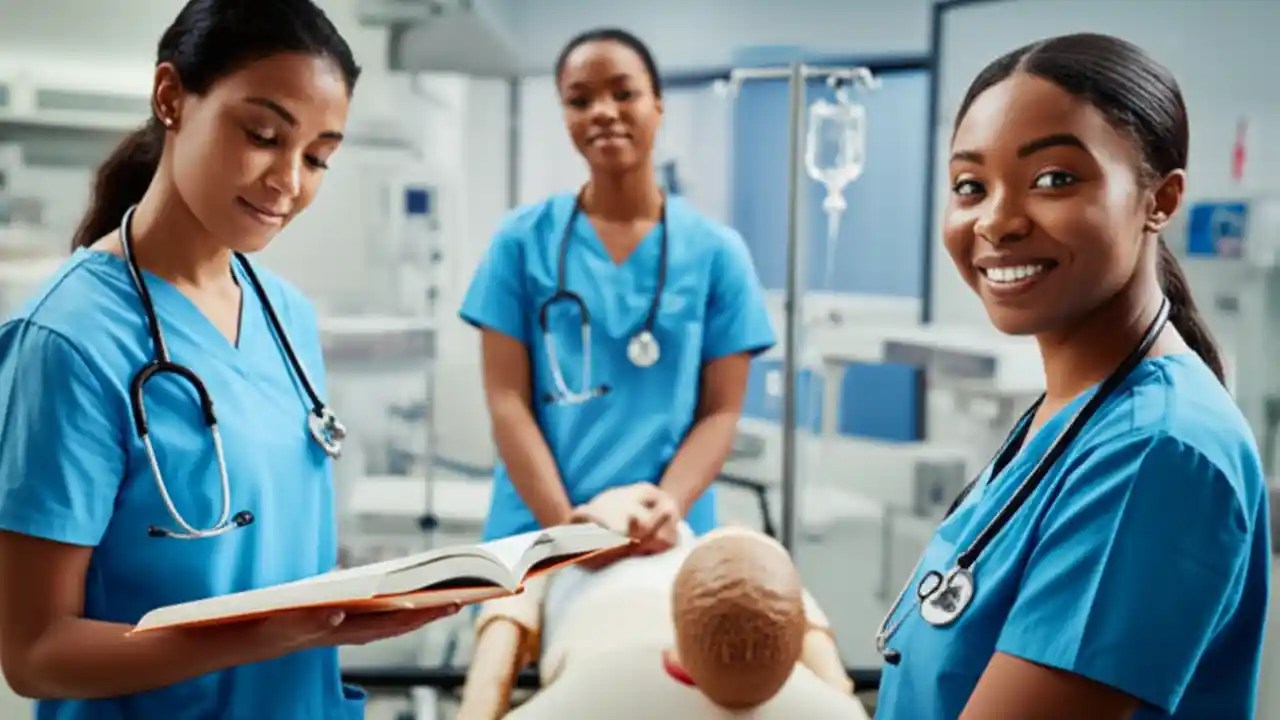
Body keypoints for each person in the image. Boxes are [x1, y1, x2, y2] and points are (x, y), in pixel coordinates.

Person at [0, 2, 457, 718]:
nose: (289, 181)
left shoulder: (286, 316)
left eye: (317, 157)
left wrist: (347, 601)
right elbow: (35, 652)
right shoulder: (68, 341)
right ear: (170, 97)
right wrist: (263, 635)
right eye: (263, 135)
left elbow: (260, 559)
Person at [874, 32, 1270, 720]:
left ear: (1161, 199)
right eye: (971, 186)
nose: (996, 220)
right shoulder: (1069, 415)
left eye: (1054, 178)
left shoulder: (1156, 453)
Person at [459, 27, 775, 554]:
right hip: (537, 530)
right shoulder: (520, 242)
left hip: (666, 529)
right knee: (514, 637)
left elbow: (721, 412)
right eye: (579, 100)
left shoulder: (718, 253)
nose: (602, 111)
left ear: (658, 103)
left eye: (623, 93)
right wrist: (566, 530)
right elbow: (506, 398)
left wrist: (666, 508)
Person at [455, 484, 869, 719]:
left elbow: (488, 685)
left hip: (586, 578)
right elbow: (784, 602)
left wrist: (564, 543)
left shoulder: (592, 692)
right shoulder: (830, 710)